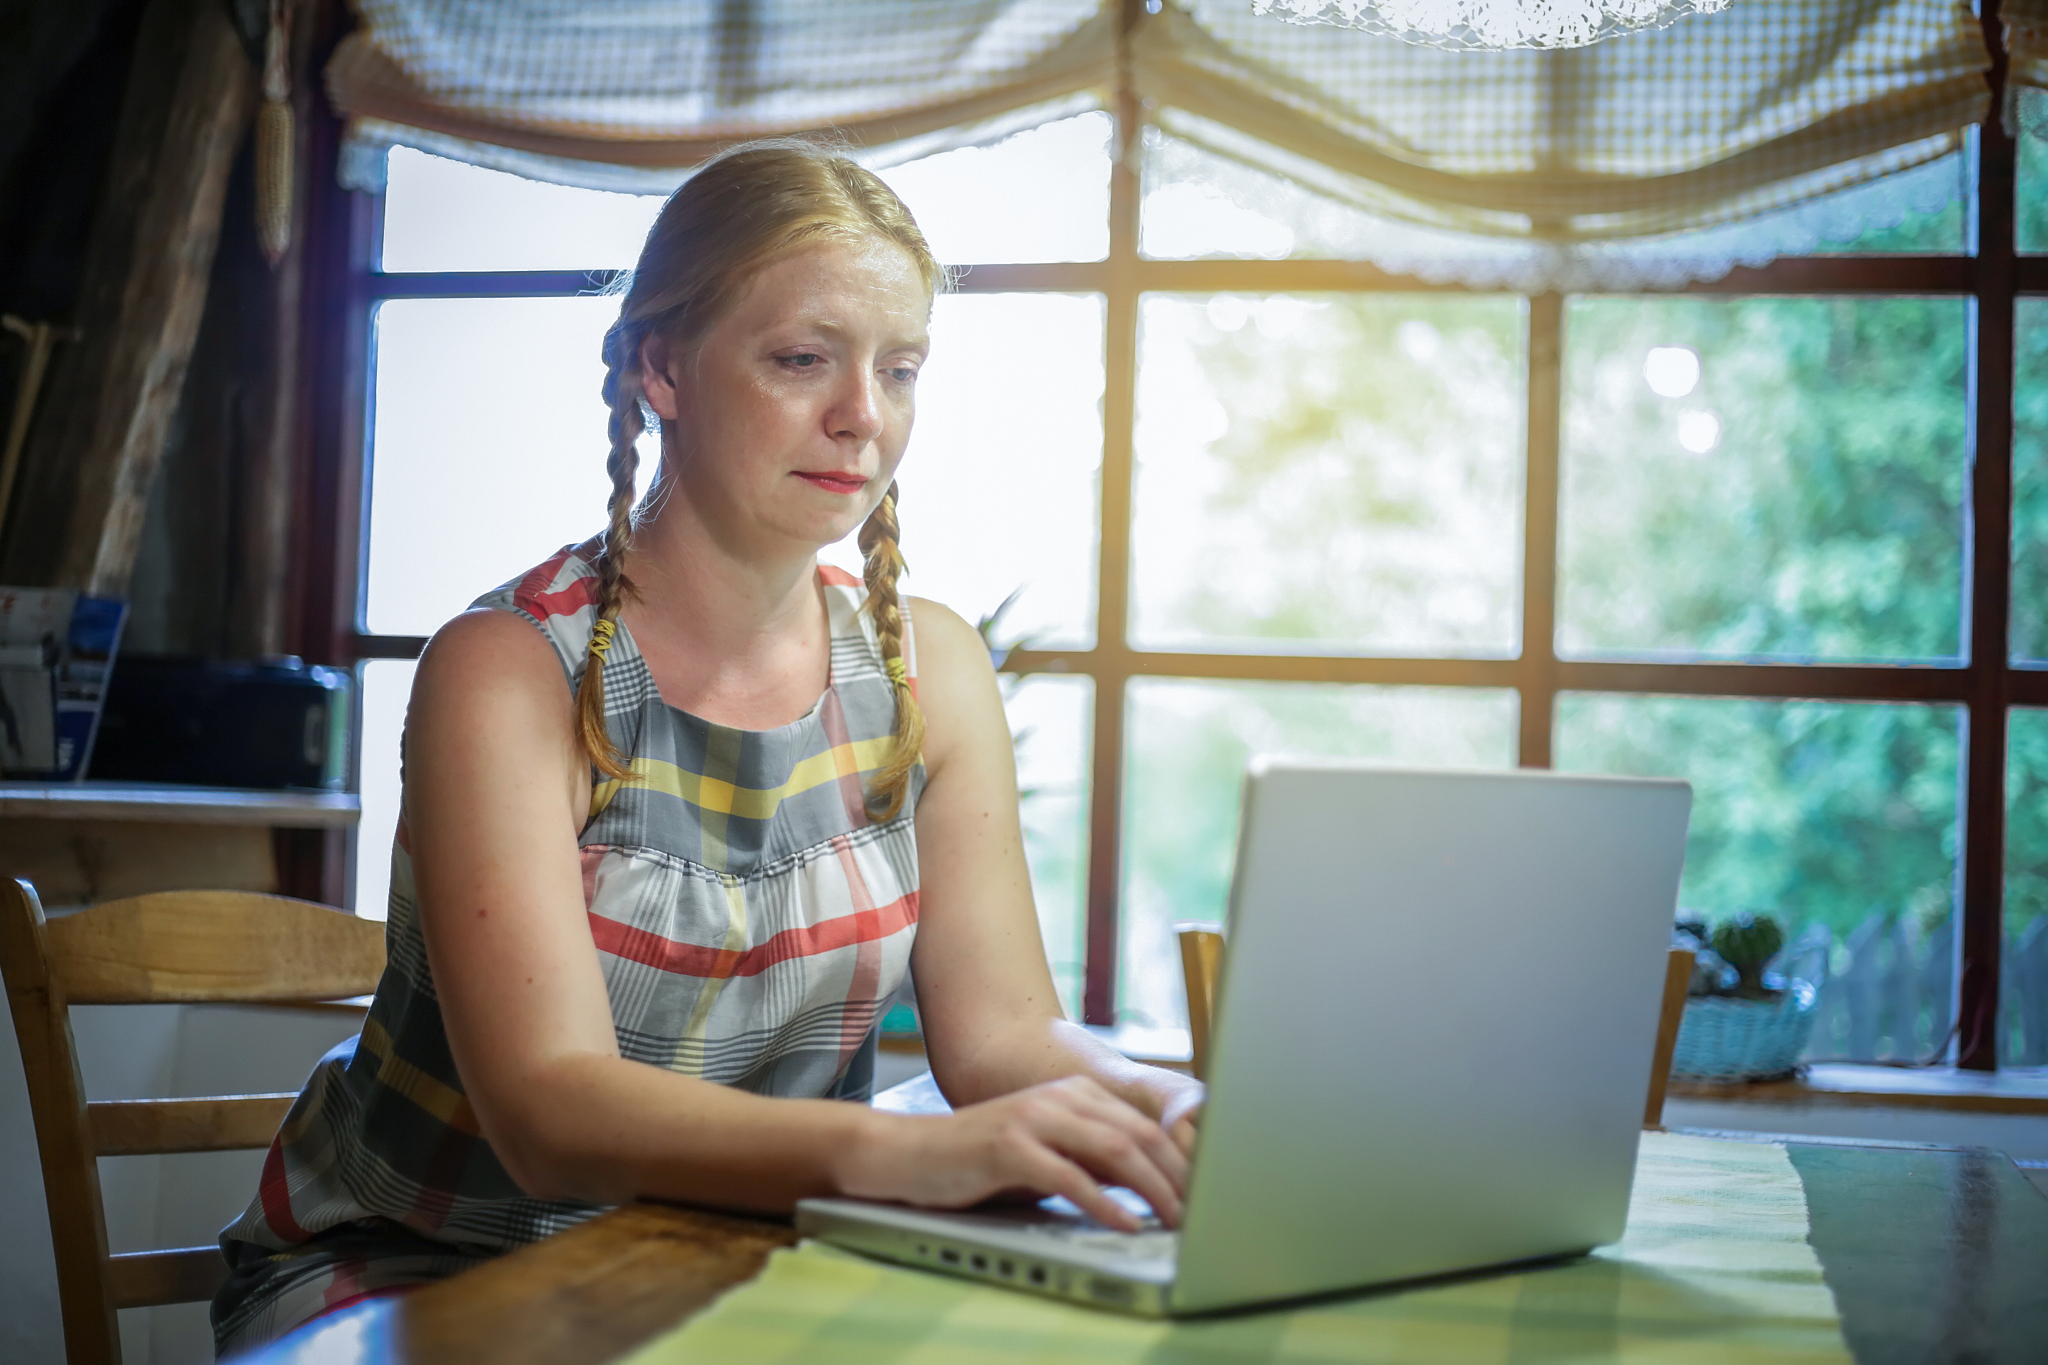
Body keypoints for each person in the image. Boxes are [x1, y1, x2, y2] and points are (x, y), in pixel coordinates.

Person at [211, 139, 1204, 1354]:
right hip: (430, 1279)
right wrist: (909, 1155)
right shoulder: (510, 667)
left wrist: (1170, 1105)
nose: (863, 417)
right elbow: (547, 1112)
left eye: (899, 370)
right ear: (659, 369)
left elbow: (1001, 1037)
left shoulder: (927, 668)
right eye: (802, 359)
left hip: (740, 1262)